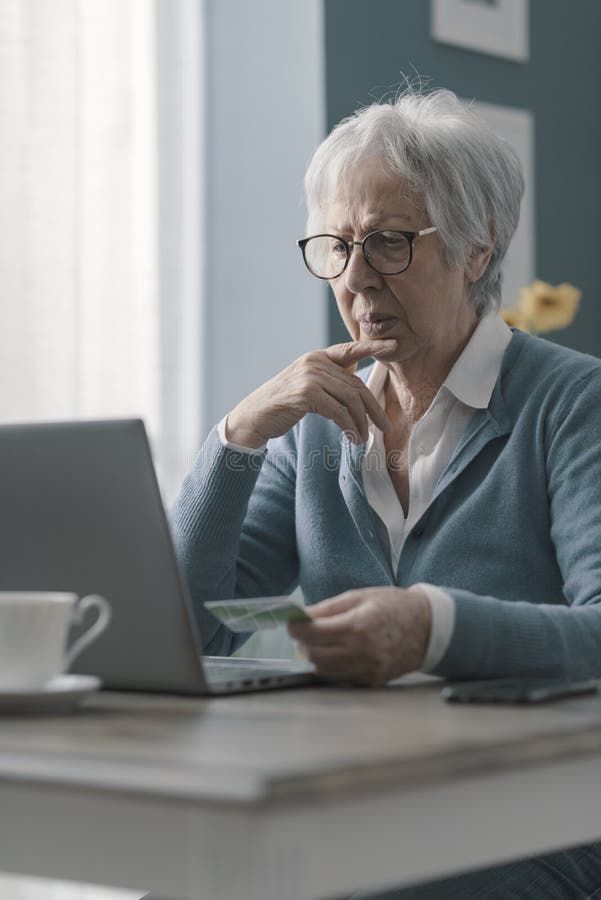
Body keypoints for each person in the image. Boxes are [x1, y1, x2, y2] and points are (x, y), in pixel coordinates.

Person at [170, 88, 601, 897]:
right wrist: (237, 438)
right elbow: (194, 629)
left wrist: (432, 628)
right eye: (336, 246)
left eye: (388, 243)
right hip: (352, 800)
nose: (355, 277)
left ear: (477, 248)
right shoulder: (313, 425)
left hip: (538, 817)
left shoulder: (572, 404)